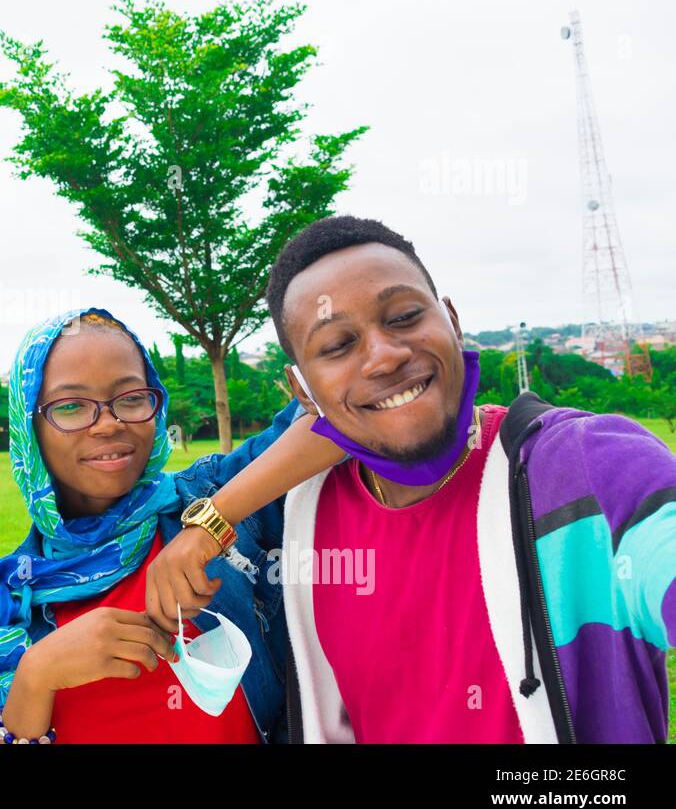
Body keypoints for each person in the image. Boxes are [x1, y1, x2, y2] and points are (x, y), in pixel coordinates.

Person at [268, 215, 676, 743]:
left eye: (404, 316)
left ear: (452, 320)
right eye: (338, 345)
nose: (385, 356)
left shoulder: (583, 469)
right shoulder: (301, 521)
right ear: (302, 390)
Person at [0, 308, 340, 744]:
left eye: (131, 398)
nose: (109, 423)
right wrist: (36, 676)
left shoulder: (214, 495)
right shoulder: (6, 604)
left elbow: (342, 406)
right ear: (28, 429)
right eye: (72, 406)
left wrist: (211, 523)